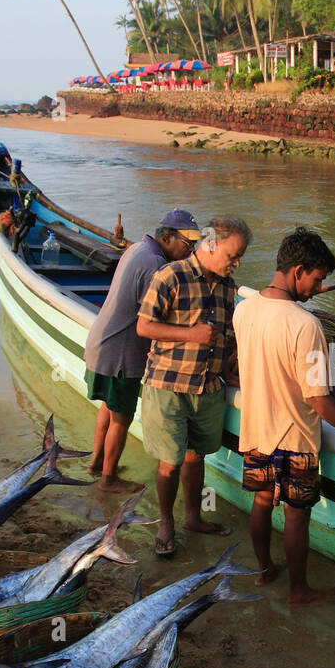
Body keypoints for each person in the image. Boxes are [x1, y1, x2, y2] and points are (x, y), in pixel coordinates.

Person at [233, 227, 335, 606]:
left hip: (256, 430)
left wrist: (303, 295)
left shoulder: (246, 309)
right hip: (294, 438)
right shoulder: (306, 325)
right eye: (317, 279)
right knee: (295, 515)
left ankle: (263, 570)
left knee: (260, 501)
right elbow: (318, 399)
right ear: (299, 270)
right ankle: (298, 590)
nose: (318, 287)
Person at [136, 217, 248, 556]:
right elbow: (144, 327)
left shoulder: (229, 288)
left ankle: (192, 516)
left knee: (196, 456)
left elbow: (228, 336)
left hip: (207, 387)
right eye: (233, 255)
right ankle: (166, 522)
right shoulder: (170, 275)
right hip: (169, 384)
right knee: (169, 462)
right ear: (211, 245)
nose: (237, 263)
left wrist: (229, 369)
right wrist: (190, 335)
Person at [83, 209, 202, 493]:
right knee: (121, 417)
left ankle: (96, 464)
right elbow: (156, 318)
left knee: (107, 408)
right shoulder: (156, 267)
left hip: (101, 343)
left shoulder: (138, 248)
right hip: (122, 354)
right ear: (168, 237)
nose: (191, 251)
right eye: (188, 243)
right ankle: (108, 479)